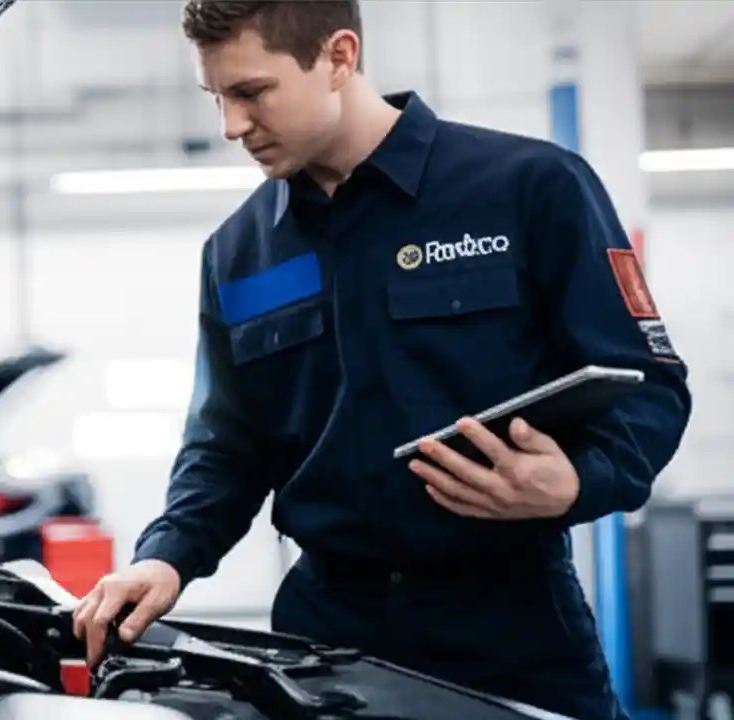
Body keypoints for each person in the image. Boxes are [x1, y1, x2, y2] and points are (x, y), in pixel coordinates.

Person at [70, 2, 692, 719]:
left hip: (511, 630)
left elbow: (651, 390)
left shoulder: (530, 188)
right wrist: (165, 555)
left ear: (338, 56)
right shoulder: (238, 253)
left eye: (251, 93)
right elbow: (225, 445)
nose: (230, 126)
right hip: (326, 643)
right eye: (216, 97)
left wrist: (577, 482)